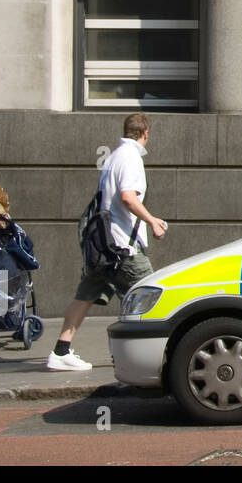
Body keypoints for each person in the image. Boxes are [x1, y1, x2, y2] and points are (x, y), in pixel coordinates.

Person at [48, 113, 168, 371]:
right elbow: (127, 197)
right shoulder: (131, 158)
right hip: (122, 247)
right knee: (150, 295)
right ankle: (154, 358)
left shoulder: (113, 157)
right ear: (146, 134)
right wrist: (152, 221)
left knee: (85, 296)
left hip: (103, 246)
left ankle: (60, 351)